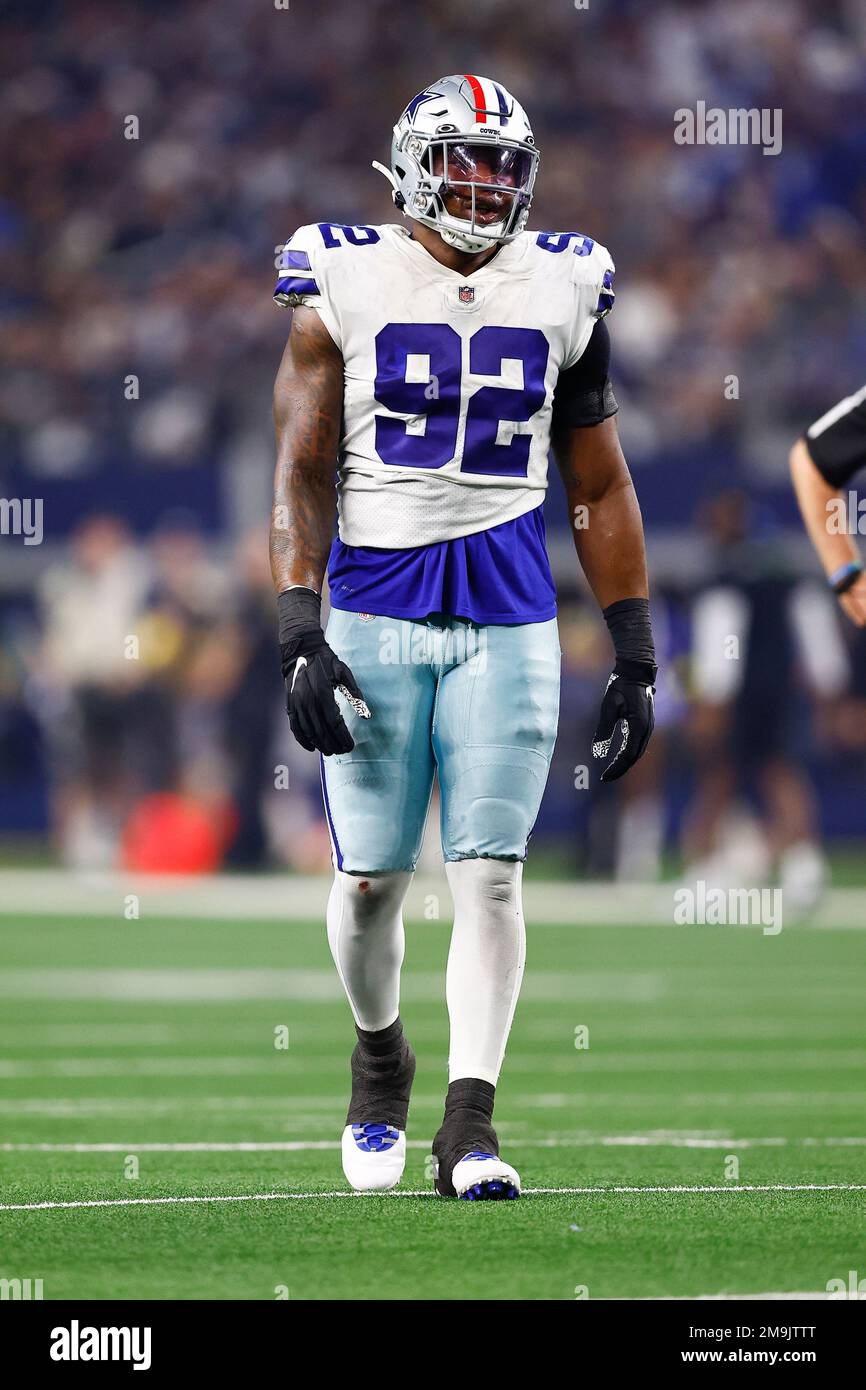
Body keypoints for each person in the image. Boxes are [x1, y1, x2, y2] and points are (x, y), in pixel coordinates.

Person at [269, 75, 656, 1200]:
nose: (484, 185)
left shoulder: (565, 283)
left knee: (489, 879)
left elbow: (600, 478)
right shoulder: (342, 271)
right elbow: (299, 464)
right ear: (407, 165)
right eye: (462, 161)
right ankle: (380, 1058)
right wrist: (299, 627)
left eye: (501, 165)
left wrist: (631, 651)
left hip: (508, 613)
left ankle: (468, 1127)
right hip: (374, 609)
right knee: (370, 885)